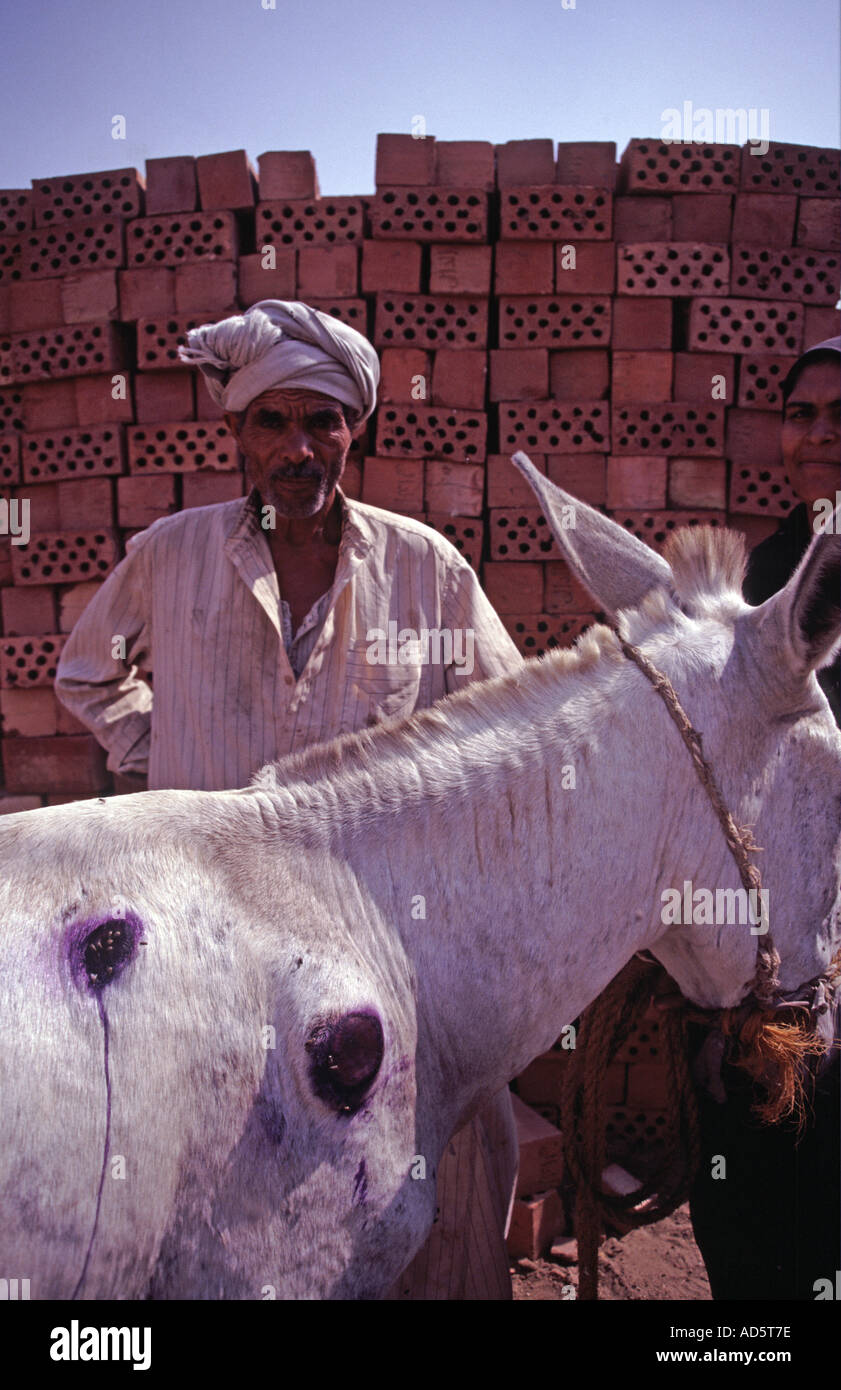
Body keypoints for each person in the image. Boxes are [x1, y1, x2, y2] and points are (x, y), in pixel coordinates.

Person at [54, 299, 523, 1300]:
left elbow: (504, 739)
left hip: (383, 955)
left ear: (356, 428)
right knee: (207, 1203)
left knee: (435, 1189)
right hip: (209, 950)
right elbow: (87, 672)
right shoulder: (172, 555)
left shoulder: (423, 571)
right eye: (272, 422)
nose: (298, 447)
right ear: (237, 434)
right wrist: (162, 753)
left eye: (322, 420)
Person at [686, 336, 841, 1300]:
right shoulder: (761, 575)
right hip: (760, 960)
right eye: (801, 414)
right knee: (741, 1209)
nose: (819, 435)